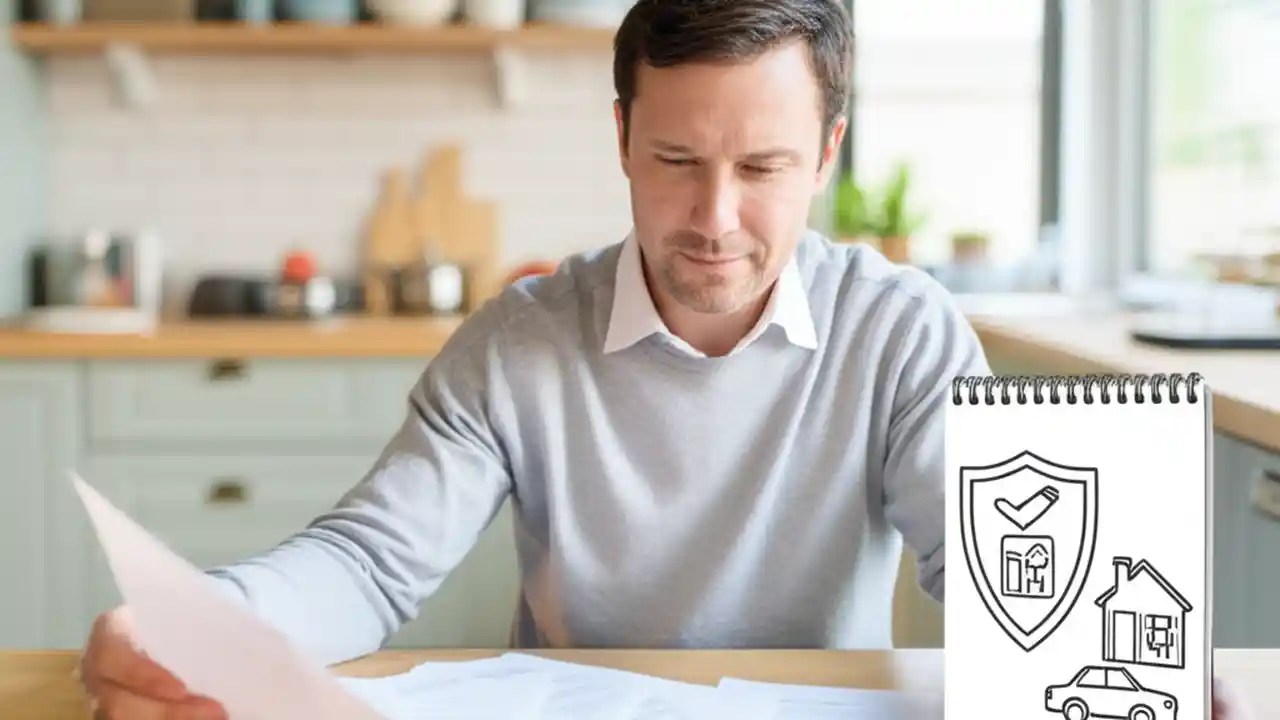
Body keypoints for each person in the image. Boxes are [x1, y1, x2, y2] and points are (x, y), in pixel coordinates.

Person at [75, 1, 1245, 718]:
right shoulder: (518, 341)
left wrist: (1132, 660)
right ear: (621, 137)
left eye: (764, 168)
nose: (714, 218)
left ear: (828, 151)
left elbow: (1002, 573)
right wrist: (214, 620)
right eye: (675, 157)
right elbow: (371, 566)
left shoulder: (901, 330)